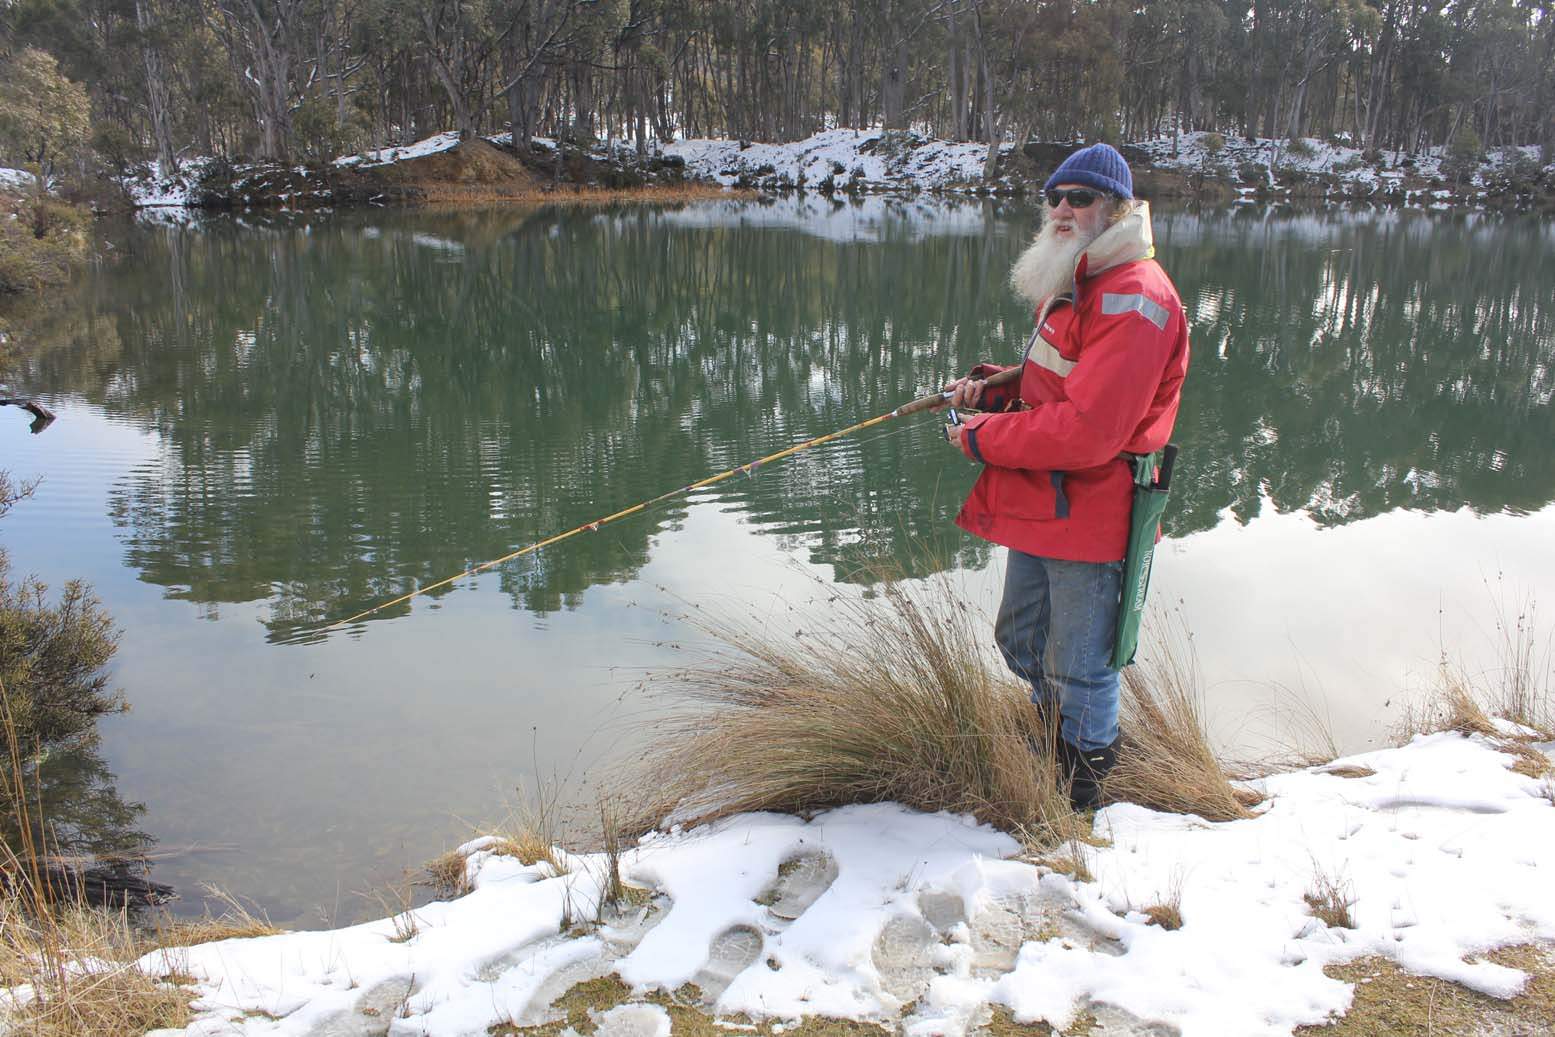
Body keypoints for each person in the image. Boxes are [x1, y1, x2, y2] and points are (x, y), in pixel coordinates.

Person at [940, 142, 1190, 810]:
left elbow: (1089, 431)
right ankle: (1055, 735)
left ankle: (1082, 793)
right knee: (1019, 637)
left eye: (1080, 198)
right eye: (1055, 197)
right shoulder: (1080, 279)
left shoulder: (1136, 298)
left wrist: (981, 437)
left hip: (1095, 511)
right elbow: (1059, 382)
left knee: (1081, 665)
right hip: (1046, 501)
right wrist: (993, 390)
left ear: (1116, 208)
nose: (1062, 209)